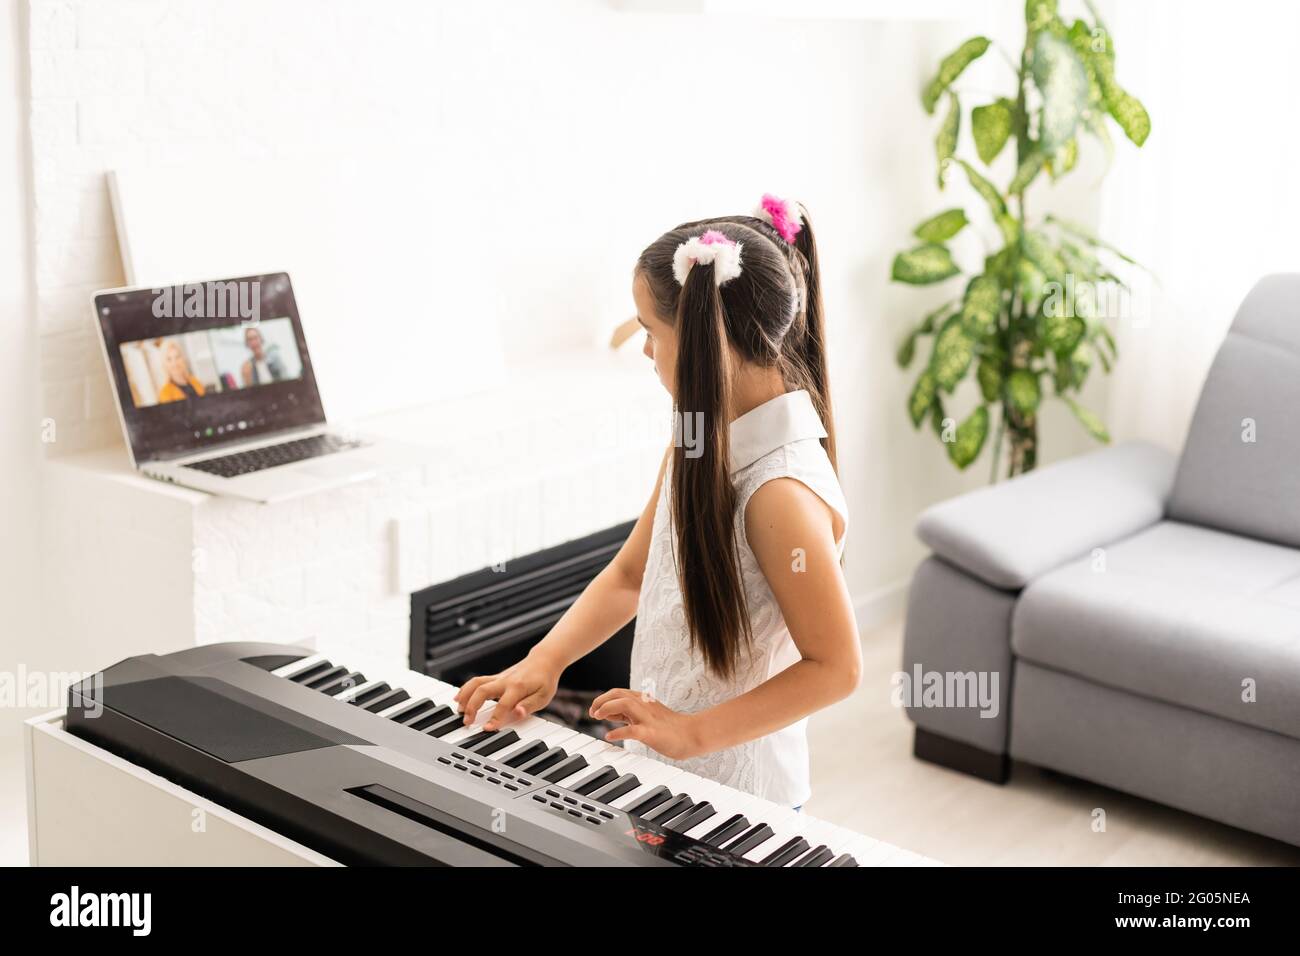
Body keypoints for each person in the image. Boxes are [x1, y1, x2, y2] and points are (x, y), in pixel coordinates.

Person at [455, 195, 860, 811]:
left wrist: (691, 731)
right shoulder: (699, 440)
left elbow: (836, 666)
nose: (645, 350)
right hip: (667, 776)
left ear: (707, 337)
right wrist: (545, 661)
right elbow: (631, 573)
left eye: (651, 330)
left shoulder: (778, 491)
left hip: (738, 801)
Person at [155, 339, 206, 403]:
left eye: (177, 357)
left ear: (183, 359)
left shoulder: (195, 381)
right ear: (165, 365)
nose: (175, 363)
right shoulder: (165, 393)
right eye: (169, 359)